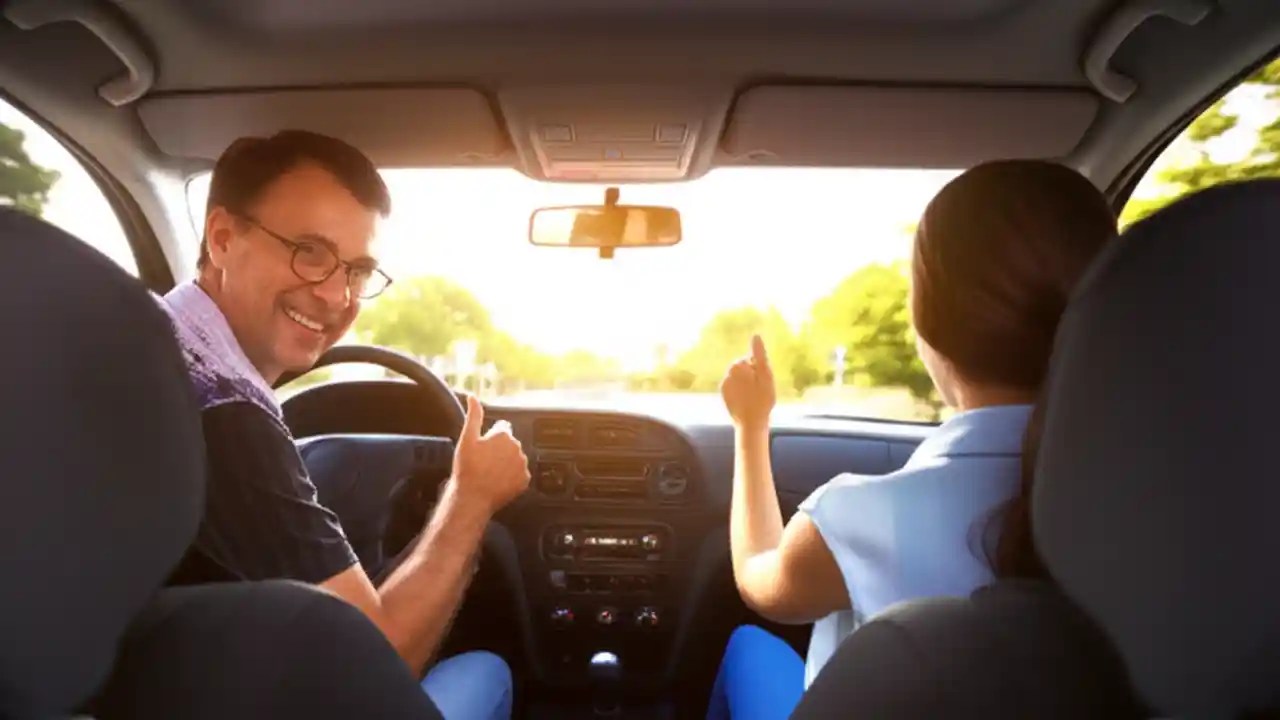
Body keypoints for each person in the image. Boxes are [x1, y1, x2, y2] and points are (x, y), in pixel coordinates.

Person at [706, 159, 1117, 720]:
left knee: (746, 649)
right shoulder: (1177, 508)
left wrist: (750, 427)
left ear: (928, 327)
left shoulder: (858, 516)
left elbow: (759, 574)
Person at [160, 130, 529, 720]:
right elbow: (372, 667)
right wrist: (471, 497)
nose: (336, 295)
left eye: (358, 270)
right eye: (310, 251)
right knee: (487, 670)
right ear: (223, 237)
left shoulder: (152, 347)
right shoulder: (226, 412)